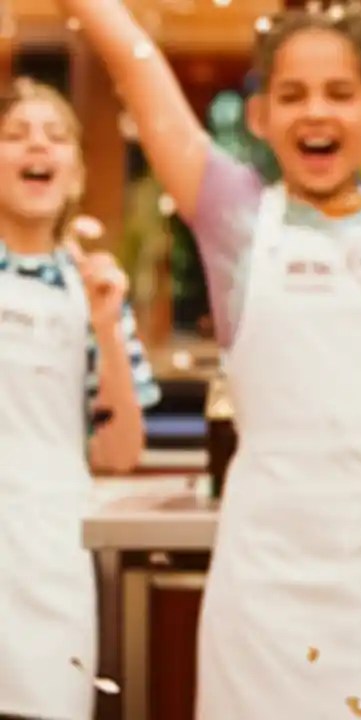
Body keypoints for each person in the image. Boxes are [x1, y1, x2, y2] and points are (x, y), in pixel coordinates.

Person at [54, 0, 361, 716]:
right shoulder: (234, 219)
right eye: (293, 94)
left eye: (340, 93)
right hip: (270, 587)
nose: (317, 113)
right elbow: (130, 59)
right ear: (259, 118)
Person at [0, 78, 159, 720]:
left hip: (48, 554)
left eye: (55, 136)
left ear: (75, 171)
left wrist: (103, 325)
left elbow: (120, 450)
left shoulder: (93, 290)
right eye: (14, 135)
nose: (37, 146)